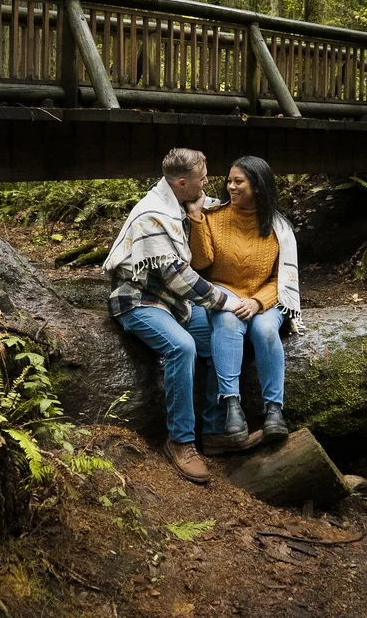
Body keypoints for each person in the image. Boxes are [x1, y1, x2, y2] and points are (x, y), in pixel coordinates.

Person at [103, 148, 263, 484]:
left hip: (173, 302)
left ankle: (217, 431)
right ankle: (180, 442)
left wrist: (263, 211)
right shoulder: (152, 215)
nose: (207, 183)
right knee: (183, 348)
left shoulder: (178, 201)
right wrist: (225, 301)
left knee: (225, 336)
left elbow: (219, 207)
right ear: (181, 182)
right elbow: (178, 278)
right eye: (202, 178)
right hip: (140, 301)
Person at [187, 156, 302, 444]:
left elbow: (283, 280)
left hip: (264, 298)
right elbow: (201, 263)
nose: (230, 187)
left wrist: (258, 302)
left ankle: (274, 411)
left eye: (238, 181)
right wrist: (197, 219)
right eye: (229, 181)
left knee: (264, 329)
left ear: (258, 187)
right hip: (225, 295)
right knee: (226, 321)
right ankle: (231, 406)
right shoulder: (214, 217)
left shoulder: (279, 228)